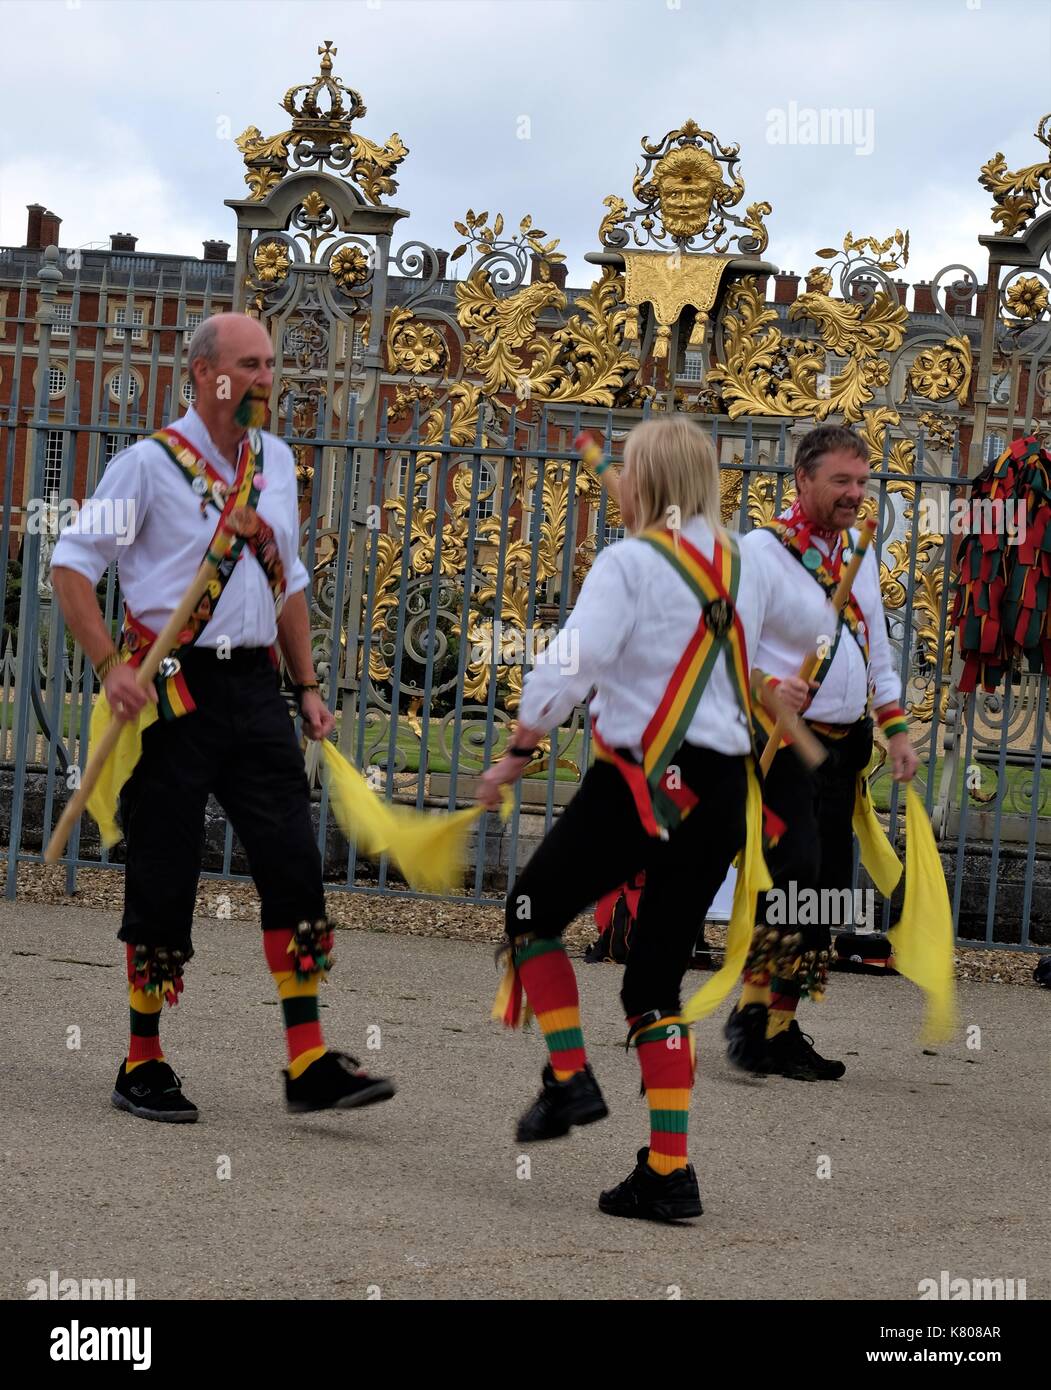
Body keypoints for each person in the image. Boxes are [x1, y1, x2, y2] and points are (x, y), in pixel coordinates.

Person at [50, 312, 394, 1123]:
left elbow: (289, 578)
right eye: (251, 363)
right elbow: (71, 566)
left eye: (271, 362)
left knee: (291, 863)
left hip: (255, 687)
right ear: (207, 374)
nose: (268, 377)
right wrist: (111, 664)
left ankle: (307, 1060)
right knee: (165, 869)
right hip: (173, 685)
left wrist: (307, 684)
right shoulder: (146, 466)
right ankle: (142, 1061)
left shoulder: (275, 460)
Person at [476, 416, 808, 1223]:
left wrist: (520, 745)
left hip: (641, 781)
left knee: (529, 912)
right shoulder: (747, 563)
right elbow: (813, 632)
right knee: (654, 978)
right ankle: (667, 1171)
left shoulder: (629, 561)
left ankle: (568, 1078)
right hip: (723, 790)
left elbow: (570, 664)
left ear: (647, 479)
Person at [723, 423, 918, 1081]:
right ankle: (751, 1019)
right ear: (802, 479)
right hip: (783, 743)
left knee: (828, 891)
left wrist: (893, 730)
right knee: (794, 872)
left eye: (861, 482)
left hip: (845, 746)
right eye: (840, 481)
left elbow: (879, 655)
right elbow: (728, 646)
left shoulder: (858, 554)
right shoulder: (760, 552)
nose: (853, 494)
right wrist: (772, 684)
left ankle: (779, 1025)